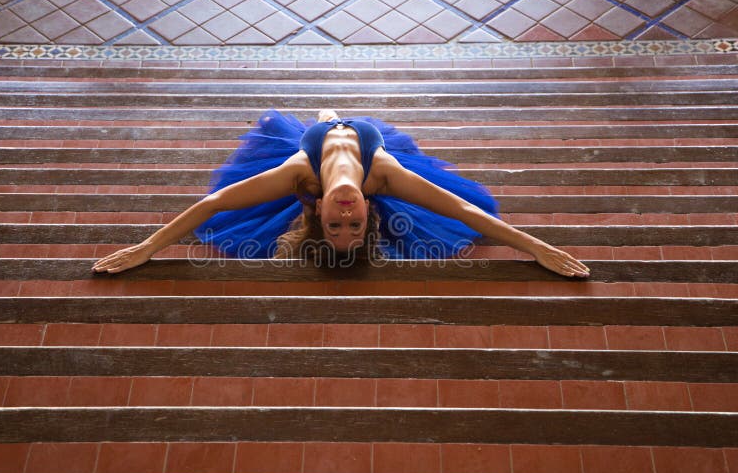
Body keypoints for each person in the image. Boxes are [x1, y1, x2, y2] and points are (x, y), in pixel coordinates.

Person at [92, 109, 590, 278]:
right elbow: (462, 209)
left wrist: (146, 249)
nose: (346, 214)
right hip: (370, 141)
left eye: (336, 225)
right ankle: (332, 116)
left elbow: (213, 205)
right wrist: (537, 248)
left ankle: (327, 117)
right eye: (355, 224)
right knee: (366, 133)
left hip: (314, 144)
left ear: (316, 211)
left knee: (320, 123)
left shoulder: (298, 176)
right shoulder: (384, 176)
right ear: (371, 211)